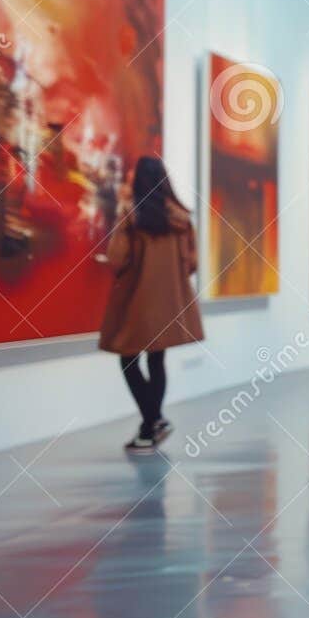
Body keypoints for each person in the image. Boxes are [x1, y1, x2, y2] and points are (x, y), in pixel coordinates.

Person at [98, 156, 205, 453]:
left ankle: (152, 423)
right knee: (156, 360)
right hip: (169, 303)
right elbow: (192, 264)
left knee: (128, 360)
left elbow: (117, 260)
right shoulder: (181, 221)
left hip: (137, 303)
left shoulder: (131, 219)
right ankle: (153, 424)